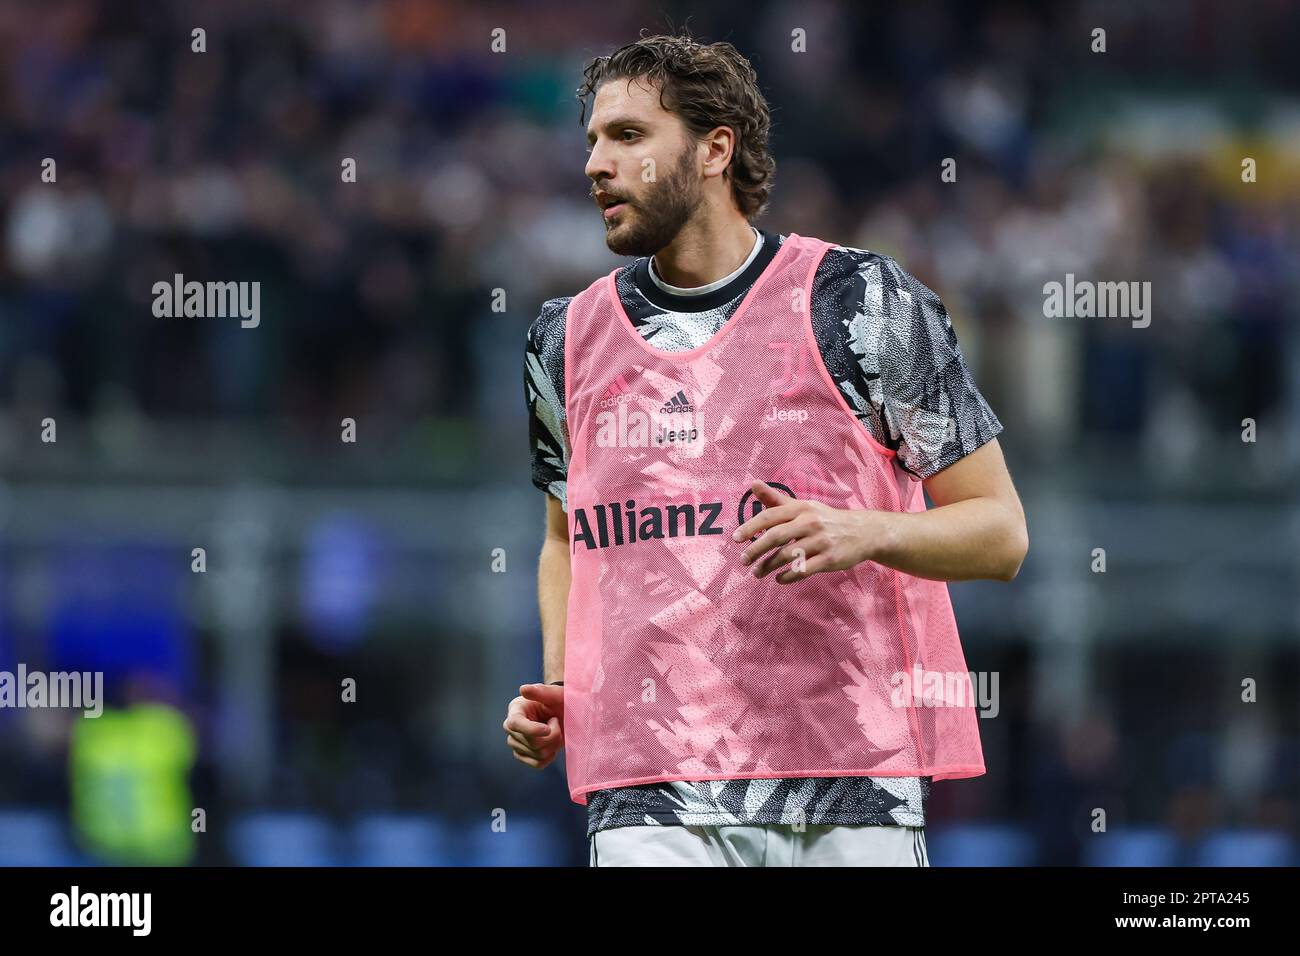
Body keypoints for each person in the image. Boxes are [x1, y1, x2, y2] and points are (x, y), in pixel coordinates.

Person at [506, 32, 1028, 867]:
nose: (596, 164)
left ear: (716, 149)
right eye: (594, 140)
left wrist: (864, 530)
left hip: (849, 781)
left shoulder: (861, 302)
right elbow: (566, 537)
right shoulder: (562, 340)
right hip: (651, 792)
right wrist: (562, 685)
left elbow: (1000, 534)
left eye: (630, 136)